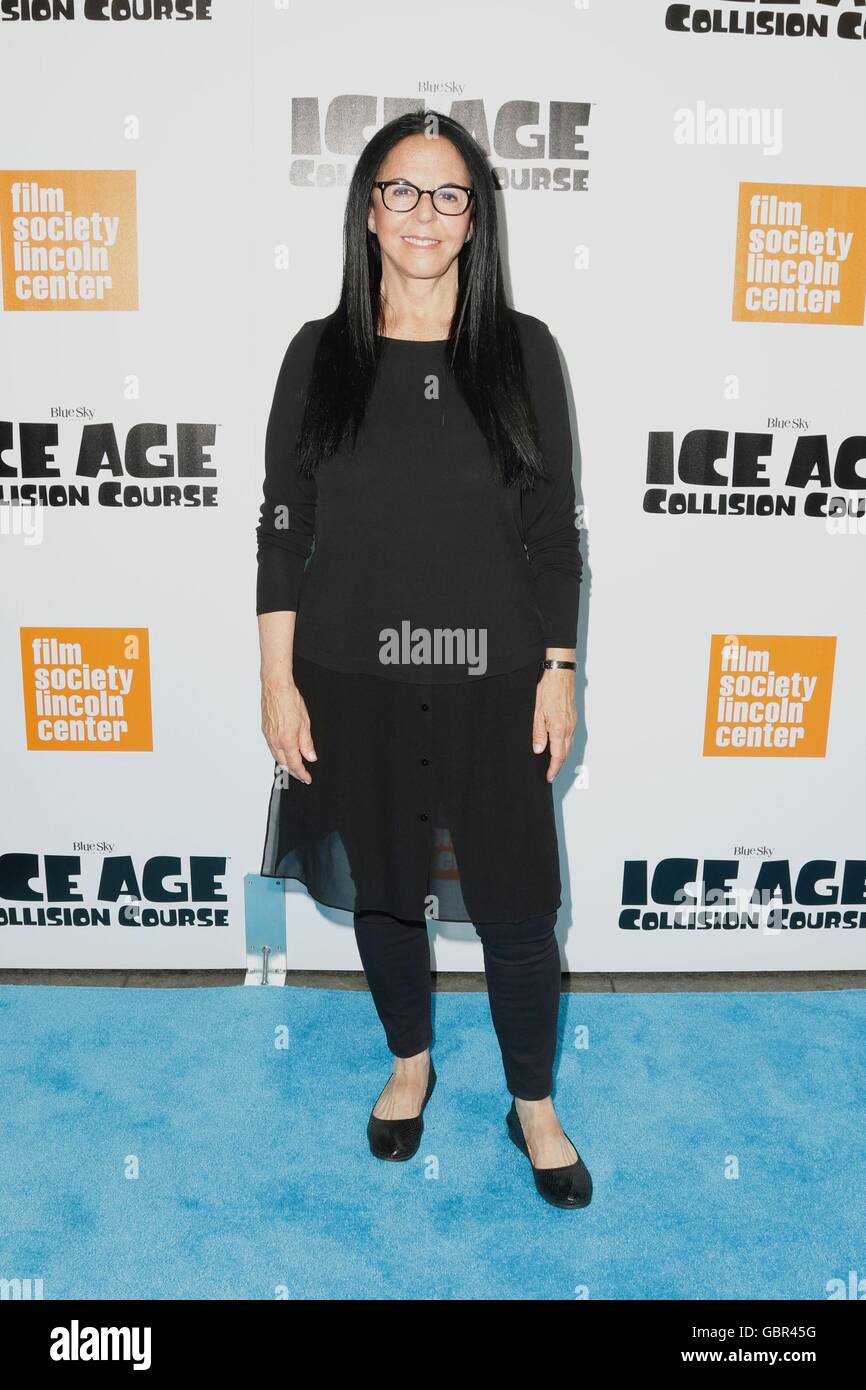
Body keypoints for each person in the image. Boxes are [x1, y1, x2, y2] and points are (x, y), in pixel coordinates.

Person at [256, 109, 591, 1209]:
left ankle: (531, 1102)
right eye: (401, 190)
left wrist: (557, 669)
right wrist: (277, 678)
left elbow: (552, 535)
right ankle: (410, 1062)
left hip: (495, 683)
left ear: (474, 219)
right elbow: (280, 531)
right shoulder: (318, 355)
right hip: (351, 677)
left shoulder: (521, 350)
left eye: (448, 195)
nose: (423, 214)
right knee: (389, 899)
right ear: (366, 208)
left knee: (514, 907)